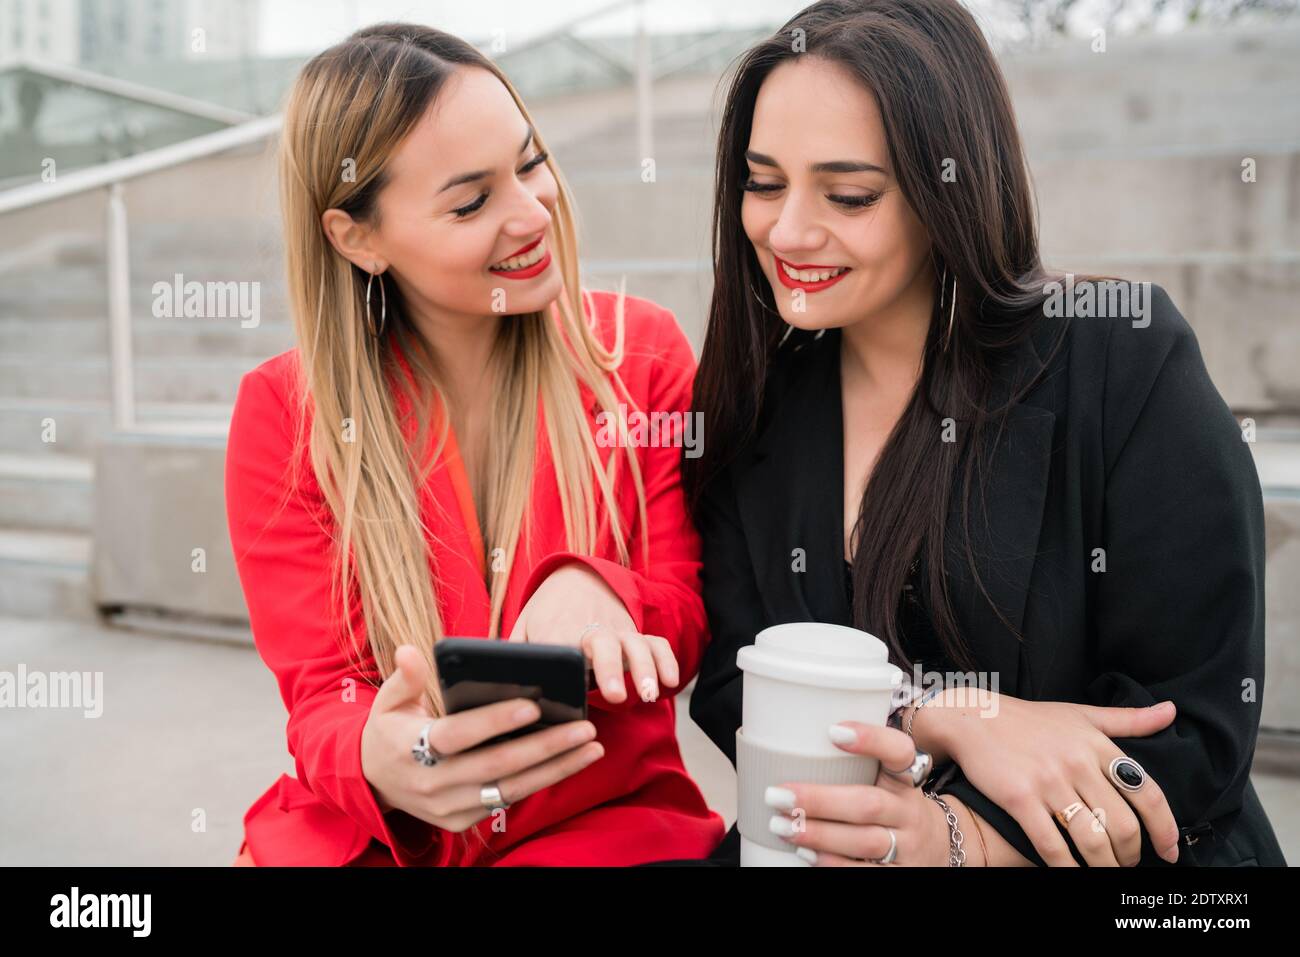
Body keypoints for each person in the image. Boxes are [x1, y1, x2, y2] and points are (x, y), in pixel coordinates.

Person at [684, 0, 1285, 866]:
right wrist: (940, 717)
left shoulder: (1120, 357)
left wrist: (954, 838)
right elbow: (735, 684)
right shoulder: (759, 406)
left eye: (848, 195)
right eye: (764, 182)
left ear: (947, 191)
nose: (787, 232)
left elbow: (1192, 728)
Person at [226, 23, 724, 866]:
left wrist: (601, 590)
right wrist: (377, 754)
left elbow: (684, 616)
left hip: (599, 821)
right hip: (382, 834)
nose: (533, 213)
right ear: (356, 238)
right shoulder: (285, 412)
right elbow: (322, 697)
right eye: (470, 203)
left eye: (530, 163)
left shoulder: (640, 356)